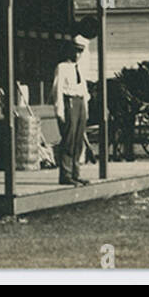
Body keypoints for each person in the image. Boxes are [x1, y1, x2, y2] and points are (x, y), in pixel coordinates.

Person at [52, 35, 92, 186]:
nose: (77, 55)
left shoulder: (79, 68)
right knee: (69, 139)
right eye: (75, 51)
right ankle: (66, 174)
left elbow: (84, 89)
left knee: (78, 140)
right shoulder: (62, 67)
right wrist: (60, 110)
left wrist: (85, 109)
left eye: (80, 52)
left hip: (80, 102)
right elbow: (57, 89)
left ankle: (76, 173)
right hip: (69, 102)